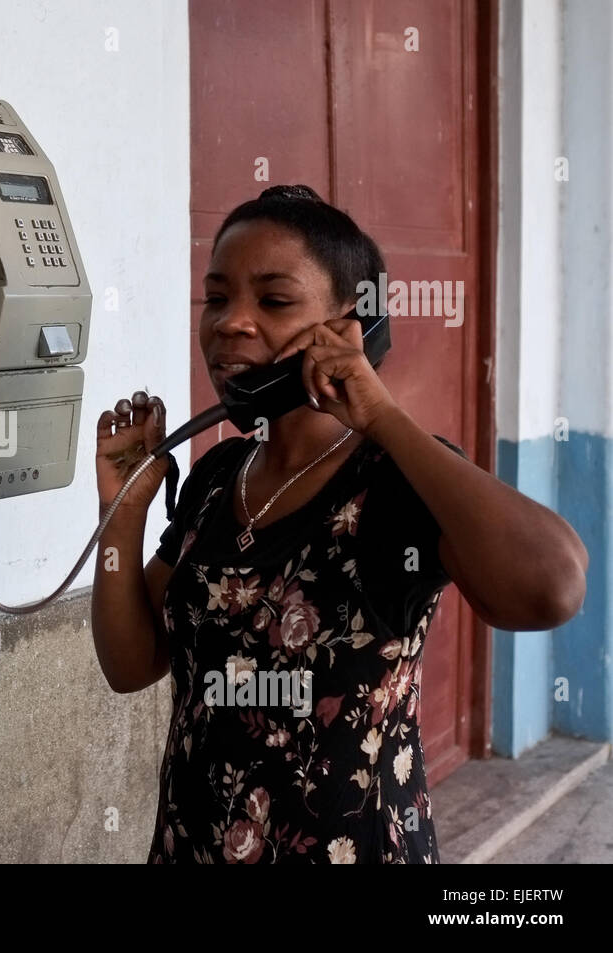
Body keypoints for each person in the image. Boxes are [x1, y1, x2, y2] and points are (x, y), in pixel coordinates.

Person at [91, 184, 588, 863]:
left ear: (352, 326)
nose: (230, 322)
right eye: (216, 297)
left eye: (272, 300)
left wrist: (383, 415)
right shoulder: (216, 477)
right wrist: (121, 513)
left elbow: (554, 585)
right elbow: (131, 663)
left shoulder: (396, 479)